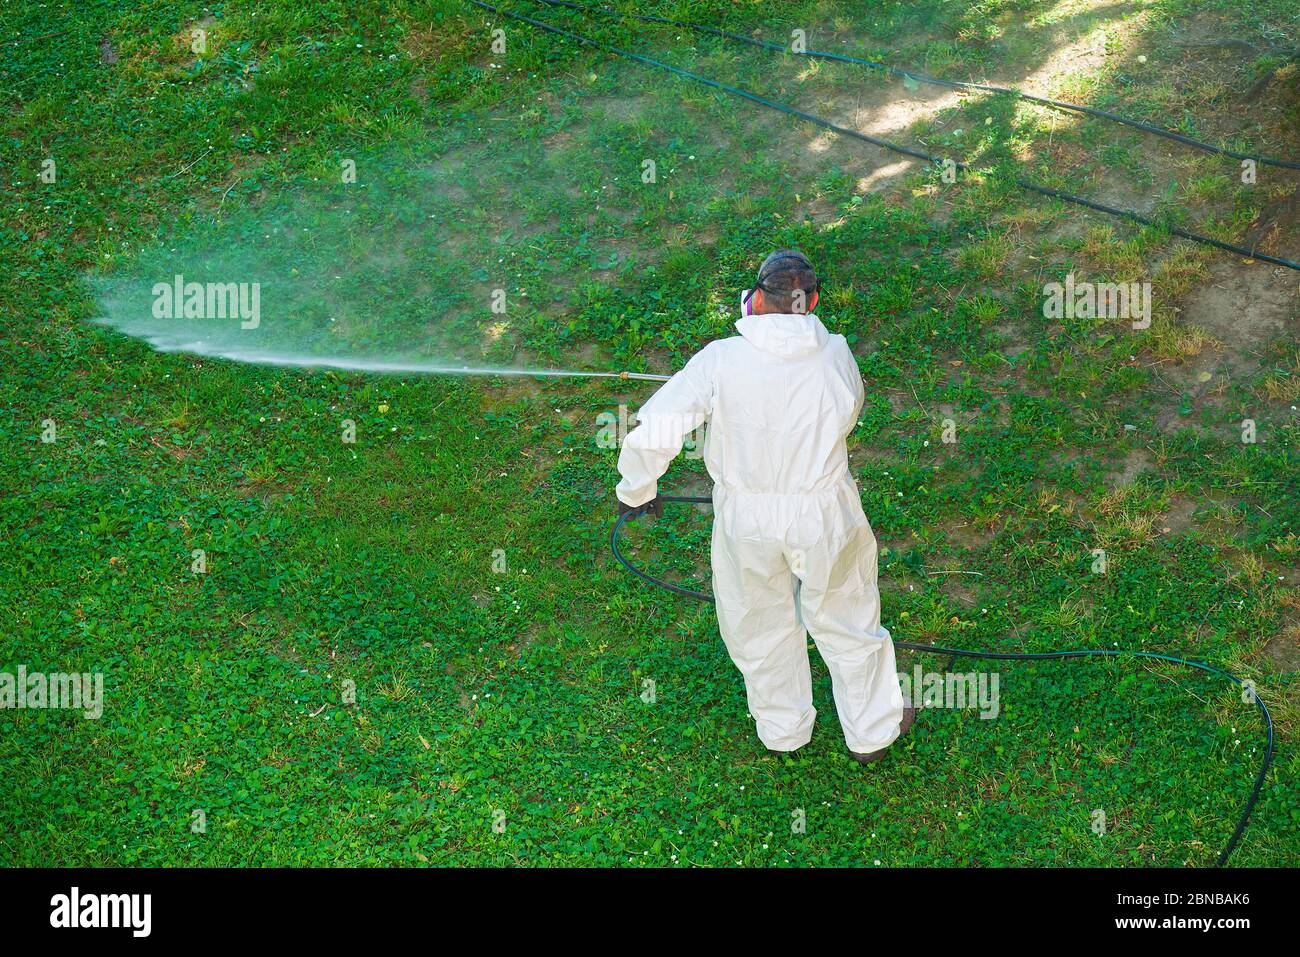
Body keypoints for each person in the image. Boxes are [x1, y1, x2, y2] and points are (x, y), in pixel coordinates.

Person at [614, 249, 914, 762]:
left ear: (756, 299)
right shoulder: (836, 352)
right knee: (847, 615)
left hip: (746, 517)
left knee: (758, 621)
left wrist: (637, 491)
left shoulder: (719, 359)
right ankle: (872, 732)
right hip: (824, 509)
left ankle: (783, 731)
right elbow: (850, 410)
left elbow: (657, 430)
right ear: (812, 301)